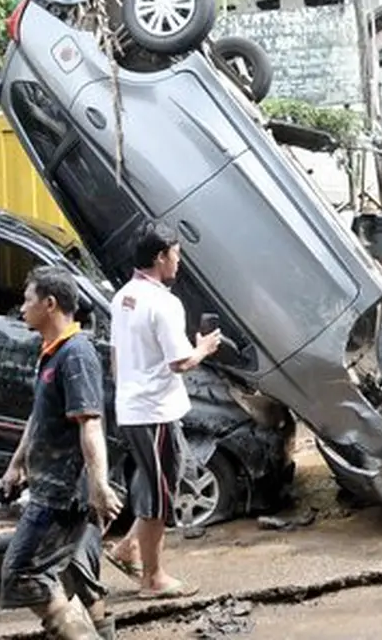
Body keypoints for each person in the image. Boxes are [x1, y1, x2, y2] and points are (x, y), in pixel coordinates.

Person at [0, 266, 122, 640]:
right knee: (74, 570)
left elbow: (90, 423)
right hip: (54, 483)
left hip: (63, 492)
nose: (22, 308)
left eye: (28, 300)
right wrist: (17, 463)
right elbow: (40, 415)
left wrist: (99, 485)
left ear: (50, 304)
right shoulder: (52, 352)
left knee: (22, 572)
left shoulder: (76, 355)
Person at [104, 222, 221, 599]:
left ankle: (127, 549)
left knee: (155, 485)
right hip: (154, 411)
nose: (179, 261)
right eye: (176, 254)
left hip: (133, 406)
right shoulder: (165, 303)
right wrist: (204, 347)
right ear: (160, 257)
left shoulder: (123, 297)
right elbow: (180, 363)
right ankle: (153, 579)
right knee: (157, 498)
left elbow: (116, 356)